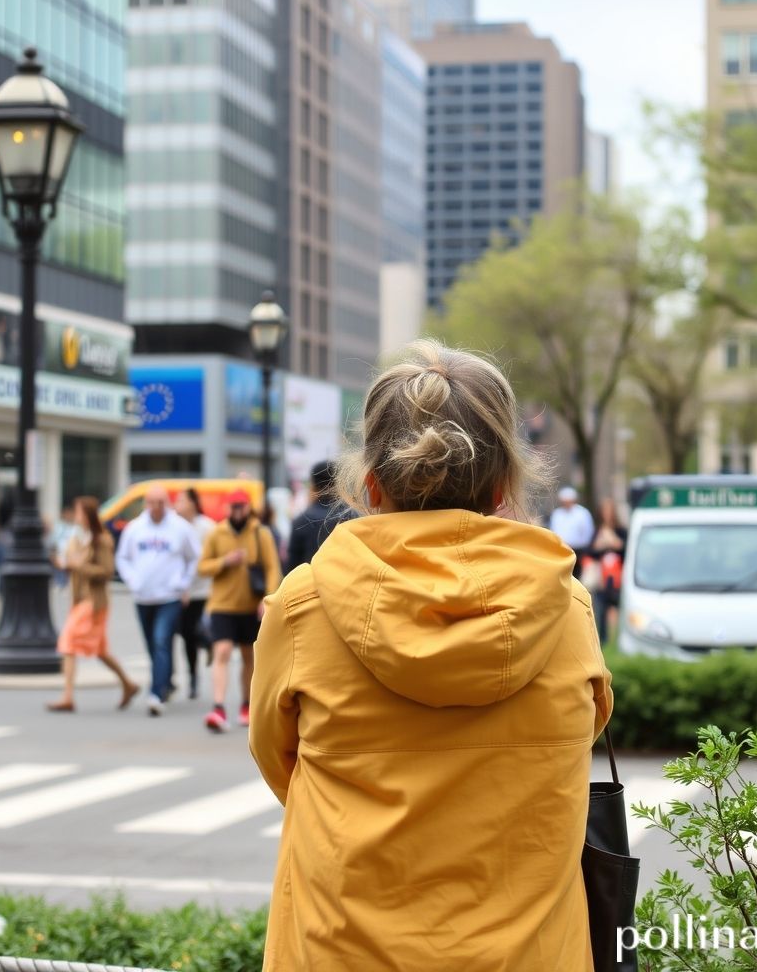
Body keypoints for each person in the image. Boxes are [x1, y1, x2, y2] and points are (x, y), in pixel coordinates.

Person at [250, 340, 613, 971]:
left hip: (340, 950)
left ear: (369, 483)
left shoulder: (303, 607)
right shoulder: (568, 609)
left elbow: (278, 760)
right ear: (502, 485)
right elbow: (584, 734)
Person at [198, 489, 281, 732]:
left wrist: (267, 599)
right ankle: (218, 707)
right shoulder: (217, 533)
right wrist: (225, 561)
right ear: (227, 508)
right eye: (233, 506)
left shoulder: (260, 533)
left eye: (241, 506)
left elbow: (272, 568)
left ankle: (247, 704)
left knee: (248, 656)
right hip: (222, 605)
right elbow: (202, 567)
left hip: (250, 606)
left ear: (248, 508)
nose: (237, 511)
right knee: (222, 651)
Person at [46, 497, 139, 713]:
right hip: (79, 599)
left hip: (94, 601)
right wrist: (64, 564)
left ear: (88, 515)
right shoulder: (77, 538)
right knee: (100, 651)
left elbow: (106, 571)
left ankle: (68, 696)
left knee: (68, 642)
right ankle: (128, 684)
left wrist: (78, 566)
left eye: (79, 512)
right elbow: (72, 564)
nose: (76, 516)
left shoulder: (101, 540)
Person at [115, 485, 200, 716]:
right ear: (146, 504)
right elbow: (122, 557)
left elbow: (194, 557)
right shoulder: (135, 528)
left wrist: (183, 582)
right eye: (152, 503)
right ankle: (165, 681)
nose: (156, 508)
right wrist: (132, 580)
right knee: (153, 644)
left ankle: (156, 693)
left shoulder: (180, 528)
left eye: (161, 503)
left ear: (167, 503)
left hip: (169, 596)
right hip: (143, 596)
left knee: (162, 639)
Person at [174, 487, 217, 699]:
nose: (177, 504)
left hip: (203, 589)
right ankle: (190, 676)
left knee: (194, 630)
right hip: (181, 590)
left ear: (192, 503)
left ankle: (207, 644)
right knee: (184, 632)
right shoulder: (175, 526)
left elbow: (215, 554)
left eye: (181, 500)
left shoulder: (207, 527)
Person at [285, 460, 351, 572]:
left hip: (310, 581)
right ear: (339, 484)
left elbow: (292, 569)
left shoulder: (301, 521)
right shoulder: (354, 517)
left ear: (313, 486)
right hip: (347, 581)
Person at [590, 497, 628, 646]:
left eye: (609, 511)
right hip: (603, 577)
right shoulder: (598, 531)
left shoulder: (621, 531)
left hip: (619, 575)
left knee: (620, 605)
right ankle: (603, 639)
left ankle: (621, 638)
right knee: (601, 607)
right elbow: (591, 551)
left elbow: (625, 549)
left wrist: (613, 542)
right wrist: (601, 545)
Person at [550, 485, 595, 579]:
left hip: (579, 550)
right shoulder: (557, 514)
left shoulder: (582, 513)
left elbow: (588, 531)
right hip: (562, 549)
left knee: (578, 576)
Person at [49, 503, 77, 590]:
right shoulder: (59, 526)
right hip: (59, 555)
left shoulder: (76, 528)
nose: (68, 516)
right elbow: (54, 541)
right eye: (67, 513)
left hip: (71, 556)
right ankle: (60, 584)